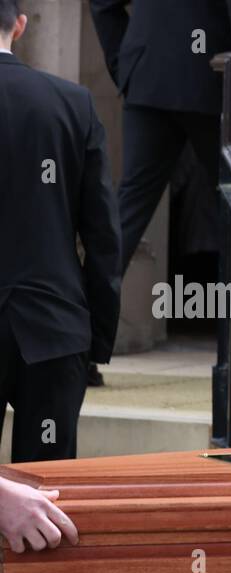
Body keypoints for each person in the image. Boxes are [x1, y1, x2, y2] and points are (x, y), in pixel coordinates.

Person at [0, 1, 120, 464]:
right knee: (46, 496)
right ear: (21, 27)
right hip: (54, 326)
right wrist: (96, 338)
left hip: (51, 324)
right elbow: (103, 235)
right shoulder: (72, 102)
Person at [89, 0, 231, 276]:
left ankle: (78, 310)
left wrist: (126, 66)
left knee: (130, 206)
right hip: (211, 79)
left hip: (148, 77)